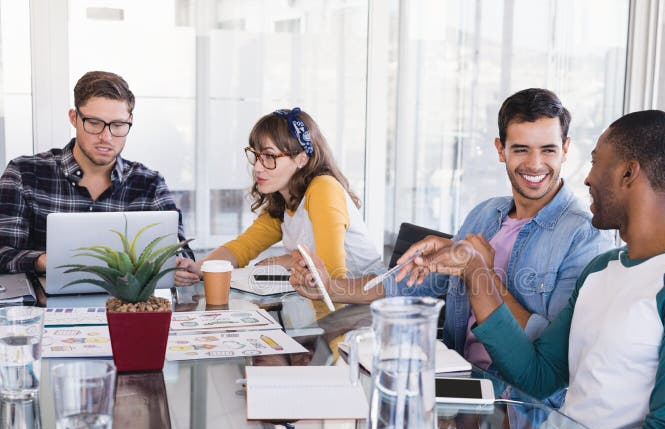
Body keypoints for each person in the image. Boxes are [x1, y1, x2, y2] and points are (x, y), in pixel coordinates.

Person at [400, 110, 665, 429]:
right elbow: (537, 377)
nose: (586, 178)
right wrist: (477, 270)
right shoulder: (603, 267)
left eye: (595, 162)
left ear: (628, 173)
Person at [291, 88, 611, 372]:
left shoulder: (583, 237)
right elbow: (405, 287)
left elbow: (553, 355)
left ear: (566, 149)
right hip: (458, 378)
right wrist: (329, 287)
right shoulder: (484, 215)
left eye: (549, 150)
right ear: (501, 150)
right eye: (521, 149)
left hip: (522, 405)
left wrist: (482, 275)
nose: (535, 164)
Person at [0, 71, 190, 274]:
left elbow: (181, 252)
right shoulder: (24, 174)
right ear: (74, 118)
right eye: (94, 123)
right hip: (42, 305)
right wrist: (45, 261)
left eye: (118, 125)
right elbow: (3, 254)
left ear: (130, 121)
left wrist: (178, 265)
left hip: (129, 305)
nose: (106, 137)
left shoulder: (149, 184)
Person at [174, 107, 383, 285]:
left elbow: (331, 275)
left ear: (301, 159)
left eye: (269, 156)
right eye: (256, 155)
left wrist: (287, 261)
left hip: (363, 310)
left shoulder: (323, 189)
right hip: (325, 308)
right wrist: (198, 268)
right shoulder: (283, 200)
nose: (257, 167)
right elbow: (242, 248)